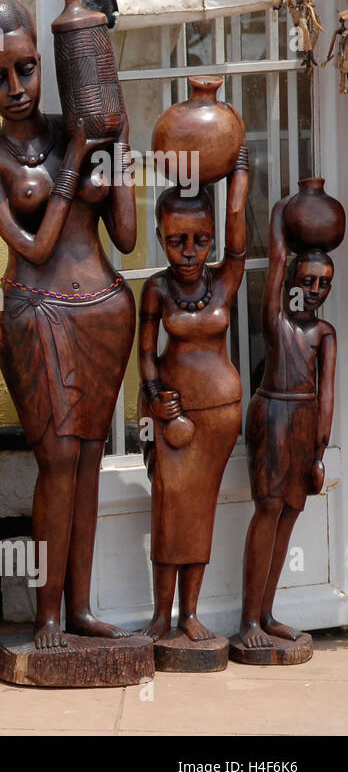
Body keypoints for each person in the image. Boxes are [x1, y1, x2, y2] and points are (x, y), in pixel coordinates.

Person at [0, 0, 137, 649]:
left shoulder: (81, 130)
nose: (15, 88)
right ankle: (45, 617)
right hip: (36, 315)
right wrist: (72, 168)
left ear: (43, 61)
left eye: (27, 69)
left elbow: (124, 235)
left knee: (89, 460)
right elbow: (33, 248)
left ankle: (83, 607)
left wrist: (115, 154)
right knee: (57, 460)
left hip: (104, 310)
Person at [138, 153, 249, 642]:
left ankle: (190, 614)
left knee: (200, 512)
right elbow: (144, 355)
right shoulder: (157, 290)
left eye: (201, 240)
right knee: (169, 511)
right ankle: (161, 616)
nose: (189, 252)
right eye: (177, 241)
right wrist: (157, 396)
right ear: (160, 238)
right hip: (173, 415)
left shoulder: (224, 281)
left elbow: (239, 230)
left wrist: (239, 172)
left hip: (221, 415)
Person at [238, 199, 334, 649]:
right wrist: (280, 212)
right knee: (269, 509)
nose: (314, 289)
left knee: (291, 512)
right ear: (292, 281)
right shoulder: (275, 323)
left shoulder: (323, 334)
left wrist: (318, 454)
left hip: (303, 424)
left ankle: (267, 613)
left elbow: (327, 395)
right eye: (307, 280)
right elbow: (276, 257)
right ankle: (248, 621)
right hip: (272, 416)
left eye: (323, 284)